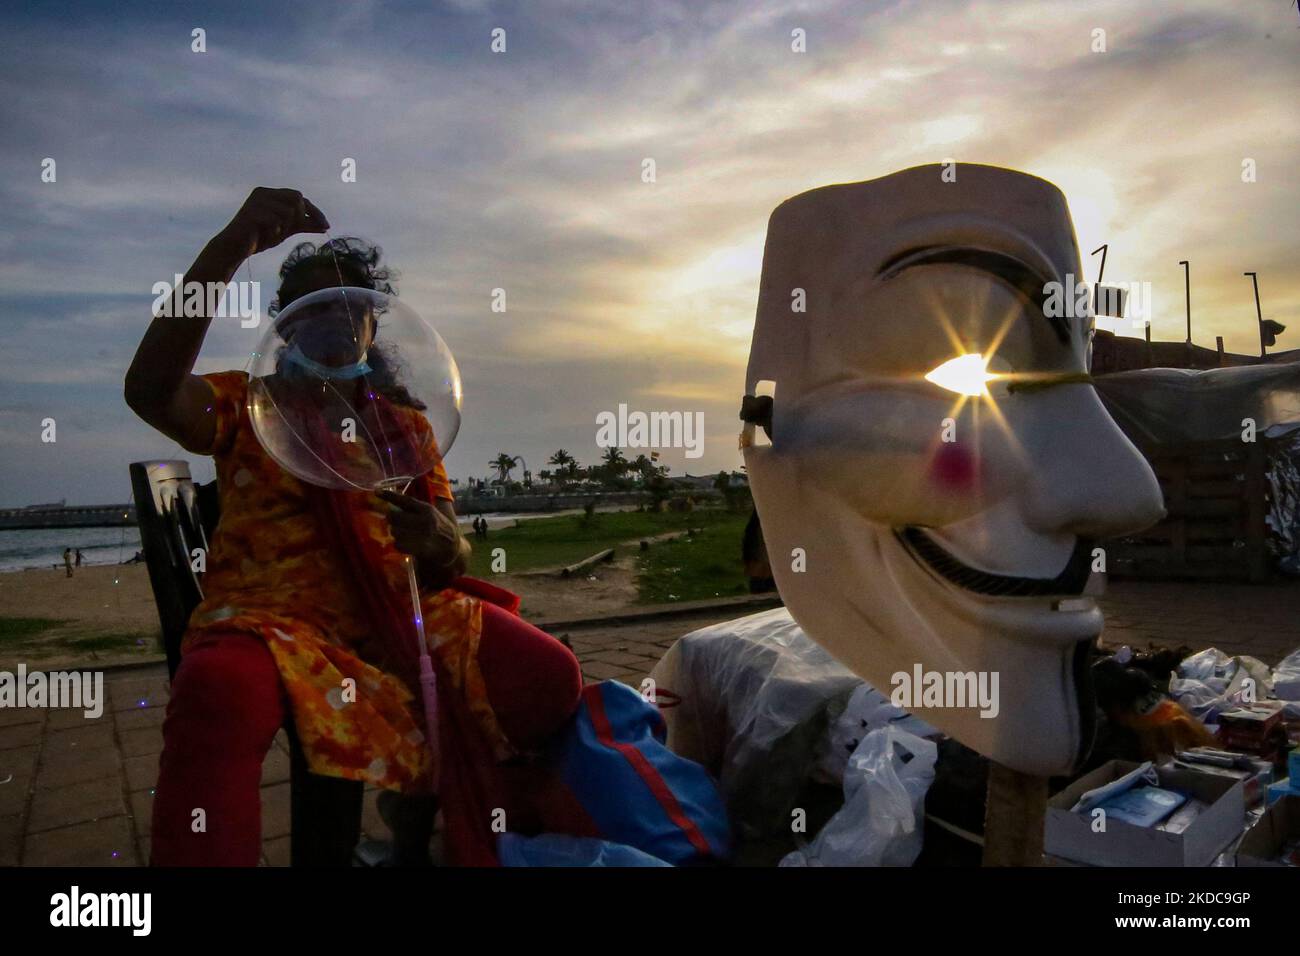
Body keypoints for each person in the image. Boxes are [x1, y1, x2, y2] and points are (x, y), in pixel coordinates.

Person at [125, 187, 582, 866]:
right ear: (286, 328)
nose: (334, 319)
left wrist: (440, 541)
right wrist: (231, 247)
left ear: (373, 327)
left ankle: (430, 810)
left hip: (396, 613)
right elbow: (152, 391)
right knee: (216, 690)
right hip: (270, 621)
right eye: (313, 306)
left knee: (548, 675)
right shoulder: (248, 406)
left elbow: (450, 548)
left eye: (350, 305)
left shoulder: (406, 428)